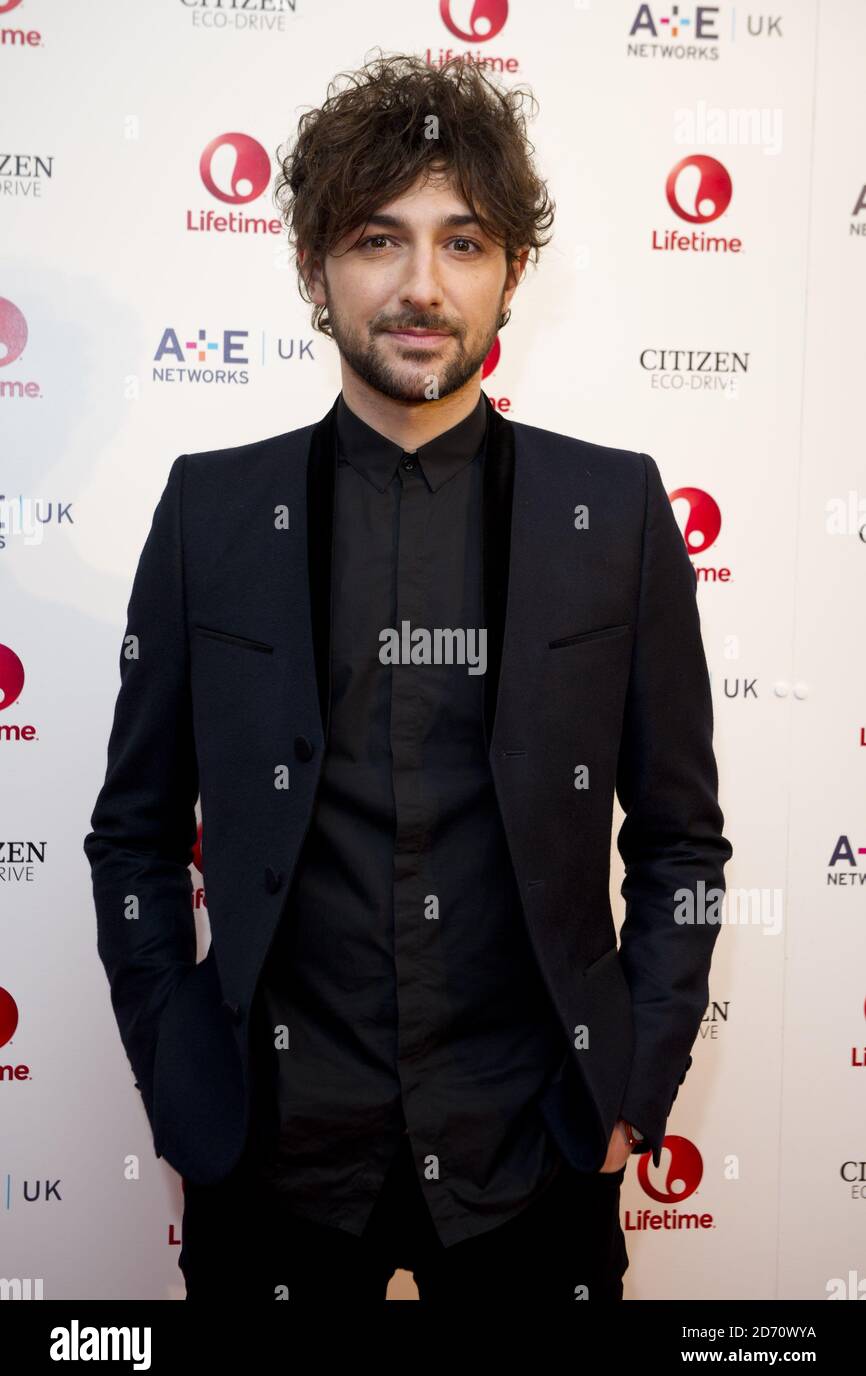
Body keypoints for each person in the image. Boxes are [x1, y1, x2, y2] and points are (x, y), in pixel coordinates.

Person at [84, 53, 732, 1305]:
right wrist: (179, 1072)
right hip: (271, 1157)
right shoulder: (210, 513)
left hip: (535, 1150)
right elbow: (134, 839)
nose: (421, 285)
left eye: (464, 241)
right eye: (379, 238)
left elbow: (678, 848)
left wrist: (633, 1083)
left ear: (511, 274)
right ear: (314, 271)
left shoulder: (613, 509)